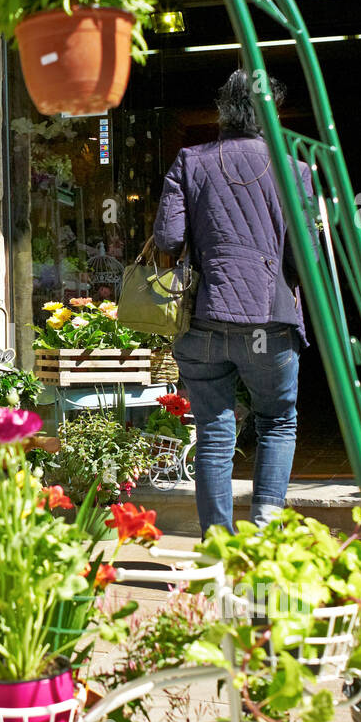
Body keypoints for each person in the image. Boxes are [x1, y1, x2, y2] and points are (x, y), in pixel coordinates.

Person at [152, 68, 315, 536]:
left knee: (214, 433)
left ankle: (217, 544)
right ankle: (264, 534)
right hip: (270, 321)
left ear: (224, 108)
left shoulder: (190, 160)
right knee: (278, 421)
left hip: (204, 319)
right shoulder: (295, 170)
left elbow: (168, 236)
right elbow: (306, 257)